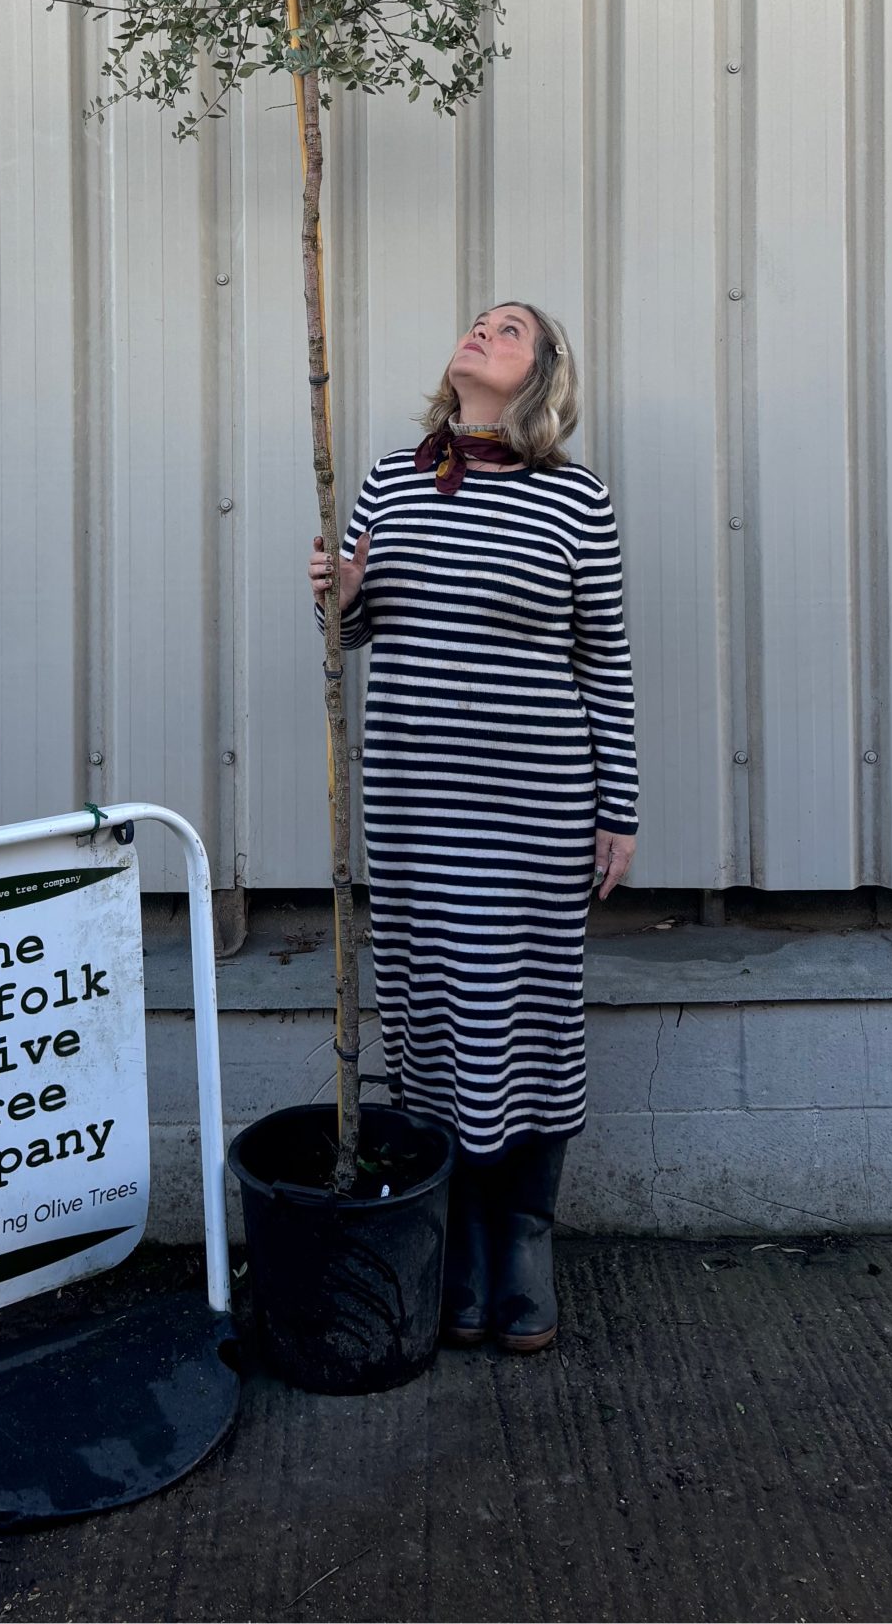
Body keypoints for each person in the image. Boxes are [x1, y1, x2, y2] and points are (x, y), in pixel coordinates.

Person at [308, 302, 637, 1353]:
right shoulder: (391, 480)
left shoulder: (576, 502)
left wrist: (616, 809)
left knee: (533, 1015)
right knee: (434, 1009)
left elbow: (605, 665)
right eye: (480, 323)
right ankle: (449, 1235)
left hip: (536, 803)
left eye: (511, 331)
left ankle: (522, 1238)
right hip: (418, 803)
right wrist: (340, 592)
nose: (482, 333)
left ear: (541, 378)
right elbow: (349, 633)